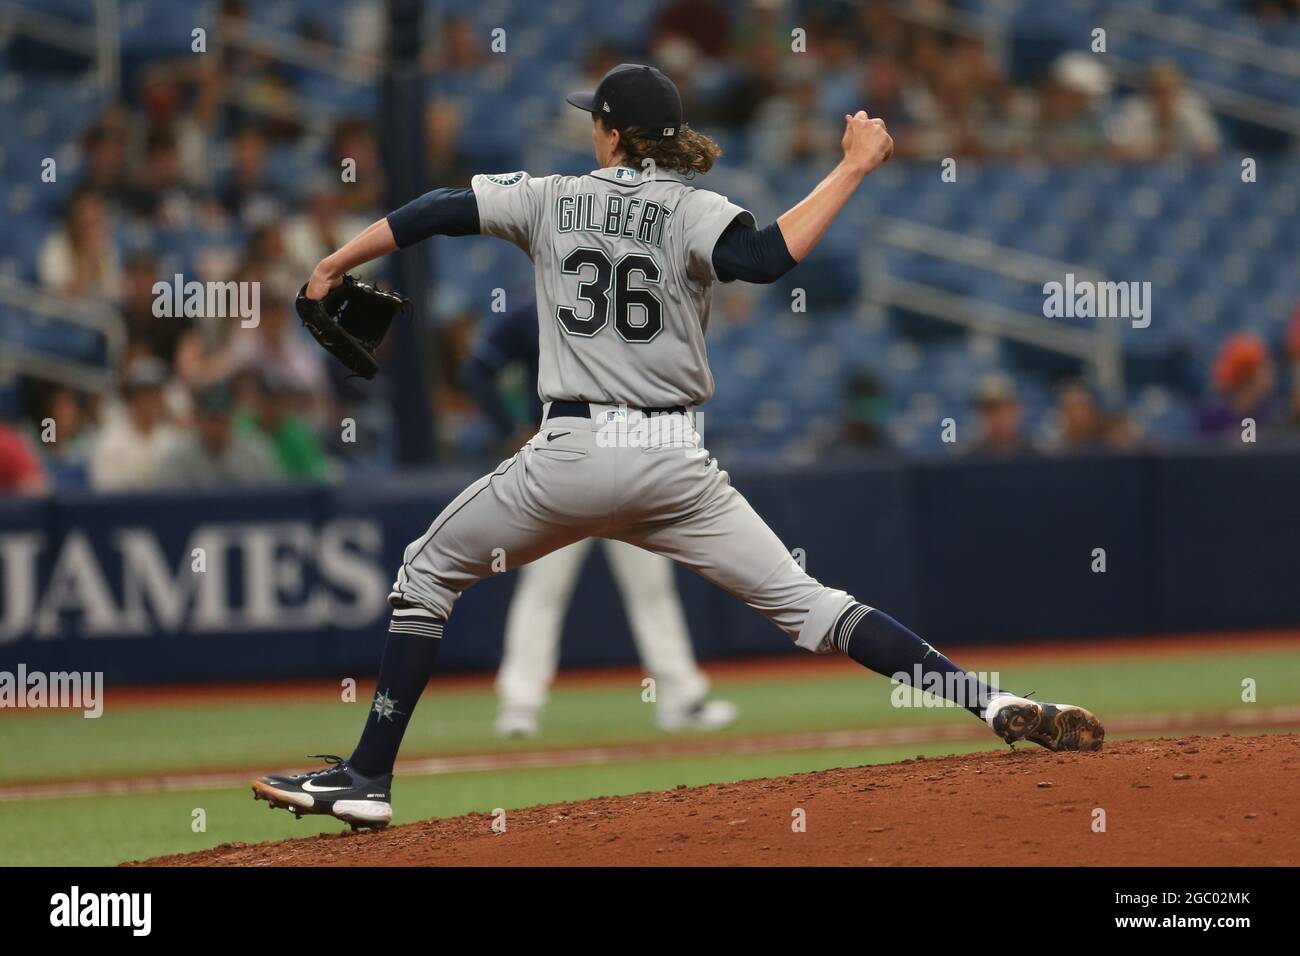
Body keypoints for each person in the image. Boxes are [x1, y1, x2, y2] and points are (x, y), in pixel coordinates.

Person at [252, 64, 1103, 830]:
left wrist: (332, 262)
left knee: (425, 573)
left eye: (597, 118)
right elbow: (768, 259)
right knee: (815, 606)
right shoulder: (696, 206)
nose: (591, 127)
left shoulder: (549, 196)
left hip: (574, 451)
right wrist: (850, 168)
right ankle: (988, 701)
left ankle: (367, 775)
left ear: (613, 134)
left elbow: (436, 210)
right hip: (675, 462)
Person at [463, 301, 736, 737]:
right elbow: (476, 371)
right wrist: (511, 428)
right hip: (564, 460)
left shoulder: (620, 300)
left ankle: (680, 698)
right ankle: (520, 704)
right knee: (545, 589)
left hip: (628, 454)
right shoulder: (530, 313)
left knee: (650, 588)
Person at [155, 381, 279, 489]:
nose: (216, 427)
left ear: (232, 417)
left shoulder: (255, 453)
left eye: (221, 419)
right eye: (211, 419)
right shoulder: (177, 459)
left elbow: (274, 500)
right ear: (197, 419)